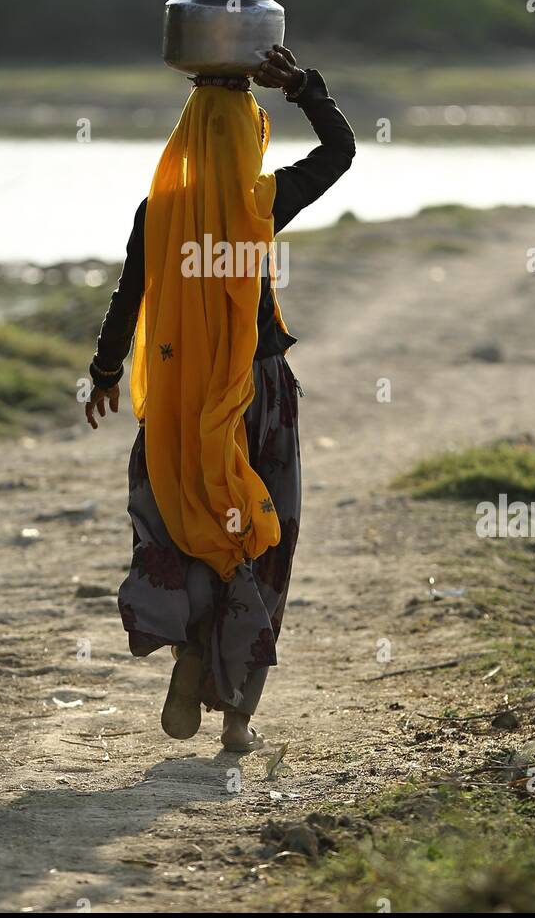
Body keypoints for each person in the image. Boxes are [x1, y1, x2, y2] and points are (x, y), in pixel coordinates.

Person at [85, 44, 355, 751]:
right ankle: (238, 716)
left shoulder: (160, 209)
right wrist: (303, 87)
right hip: (257, 393)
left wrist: (107, 372)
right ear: (249, 136)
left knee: (185, 525)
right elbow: (340, 153)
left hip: (180, 395)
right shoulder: (260, 201)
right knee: (264, 538)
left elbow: (129, 298)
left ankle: (189, 651)